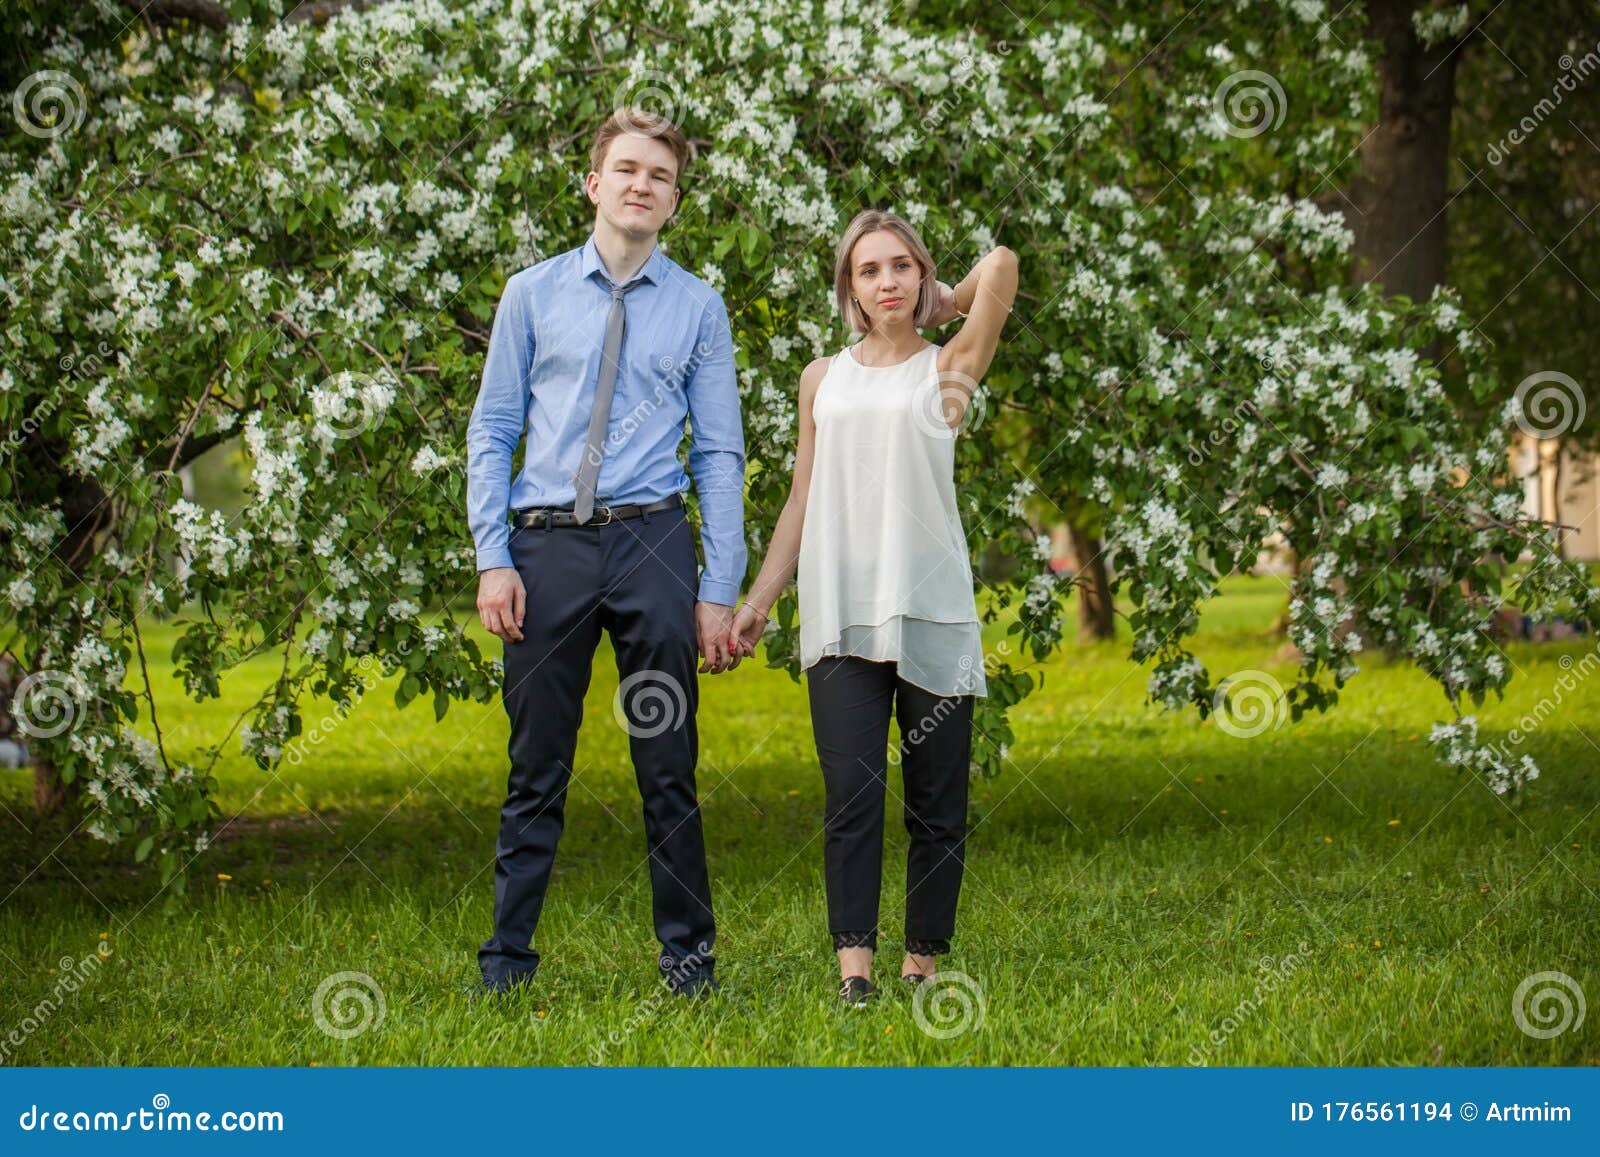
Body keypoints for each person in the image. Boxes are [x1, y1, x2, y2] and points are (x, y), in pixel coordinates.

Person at [466, 108, 746, 998]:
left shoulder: (700, 307)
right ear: (594, 183)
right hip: (544, 546)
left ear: (674, 198)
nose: (641, 186)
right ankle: (508, 962)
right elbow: (494, 429)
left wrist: (719, 587)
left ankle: (688, 962)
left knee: (667, 759)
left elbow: (717, 453)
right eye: (626, 170)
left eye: (659, 176)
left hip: (652, 542)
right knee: (535, 763)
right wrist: (491, 555)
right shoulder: (531, 294)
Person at [728, 209, 1018, 1006]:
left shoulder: (949, 367)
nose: (885, 281)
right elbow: (801, 496)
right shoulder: (823, 378)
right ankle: (853, 968)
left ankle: (920, 961)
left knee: (937, 800)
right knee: (851, 795)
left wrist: (943, 299)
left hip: (931, 610)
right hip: (843, 613)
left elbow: (1002, 263)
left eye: (900, 266)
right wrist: (759, 601)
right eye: (868, 270)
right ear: (848, 288)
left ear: (921, 276)